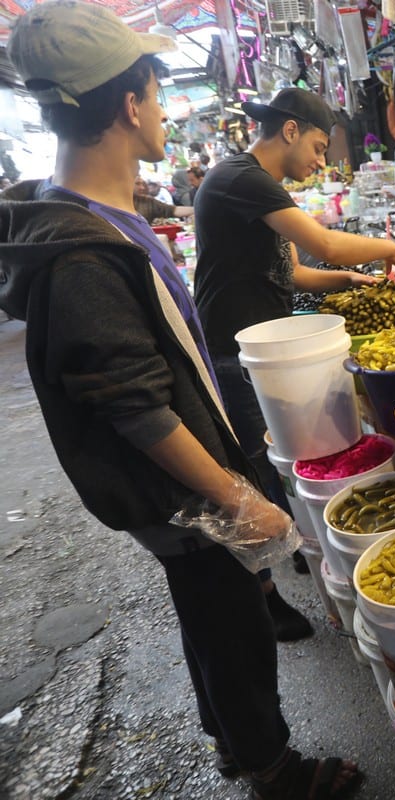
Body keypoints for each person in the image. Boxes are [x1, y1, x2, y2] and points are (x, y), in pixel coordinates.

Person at [0, 3, 362, 797]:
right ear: (130, 106)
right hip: (174, 492)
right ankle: (272, 767)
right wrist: (234, 493)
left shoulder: (104, 220)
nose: (164, 112)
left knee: (214, 618)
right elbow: (134, 406)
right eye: (159, 97)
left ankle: (233, 741)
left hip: (182, 480)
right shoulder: (79, 255)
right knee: (233, 629)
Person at [192, 89, 395, 632]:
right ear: (289, 130)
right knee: (253, 469)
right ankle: (264, 599)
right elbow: (326, 244)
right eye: (318, 145)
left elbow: (297, 272)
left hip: (269, 346)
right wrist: (387, 250)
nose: (321, 159)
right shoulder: (239, 178)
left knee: (281, 462)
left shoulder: (260, 188)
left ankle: (298, 545)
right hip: (236, 352)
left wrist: (349, 281)